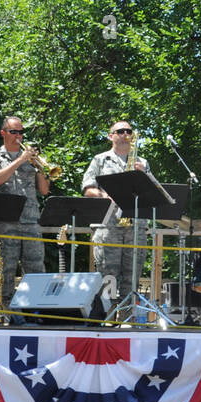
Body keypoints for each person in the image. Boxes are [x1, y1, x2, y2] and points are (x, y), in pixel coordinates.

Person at [82, 120, 156, 308]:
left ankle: (127, 318)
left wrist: (144, 175)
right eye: (121, 131)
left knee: (132, 277)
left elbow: (155, 193)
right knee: (108, 277)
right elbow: (88, 190)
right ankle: (106, 318)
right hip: (108, 226)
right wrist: (106, 195)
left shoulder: (143, 162)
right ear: (111, 136)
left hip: (135, 227)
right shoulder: (100, 160)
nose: (125, 134)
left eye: (129, 131)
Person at [0, 116, 51, 309]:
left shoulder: (31, 159)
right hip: (6, 222)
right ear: (3, 133)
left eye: (21, 132)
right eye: (14, 132)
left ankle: (37, 312)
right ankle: (3, 314)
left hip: (31, 221)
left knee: (36, 270)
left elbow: (45, 190)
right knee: (5, 271)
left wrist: (38, 167)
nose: (19, 136)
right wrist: (20, 160)